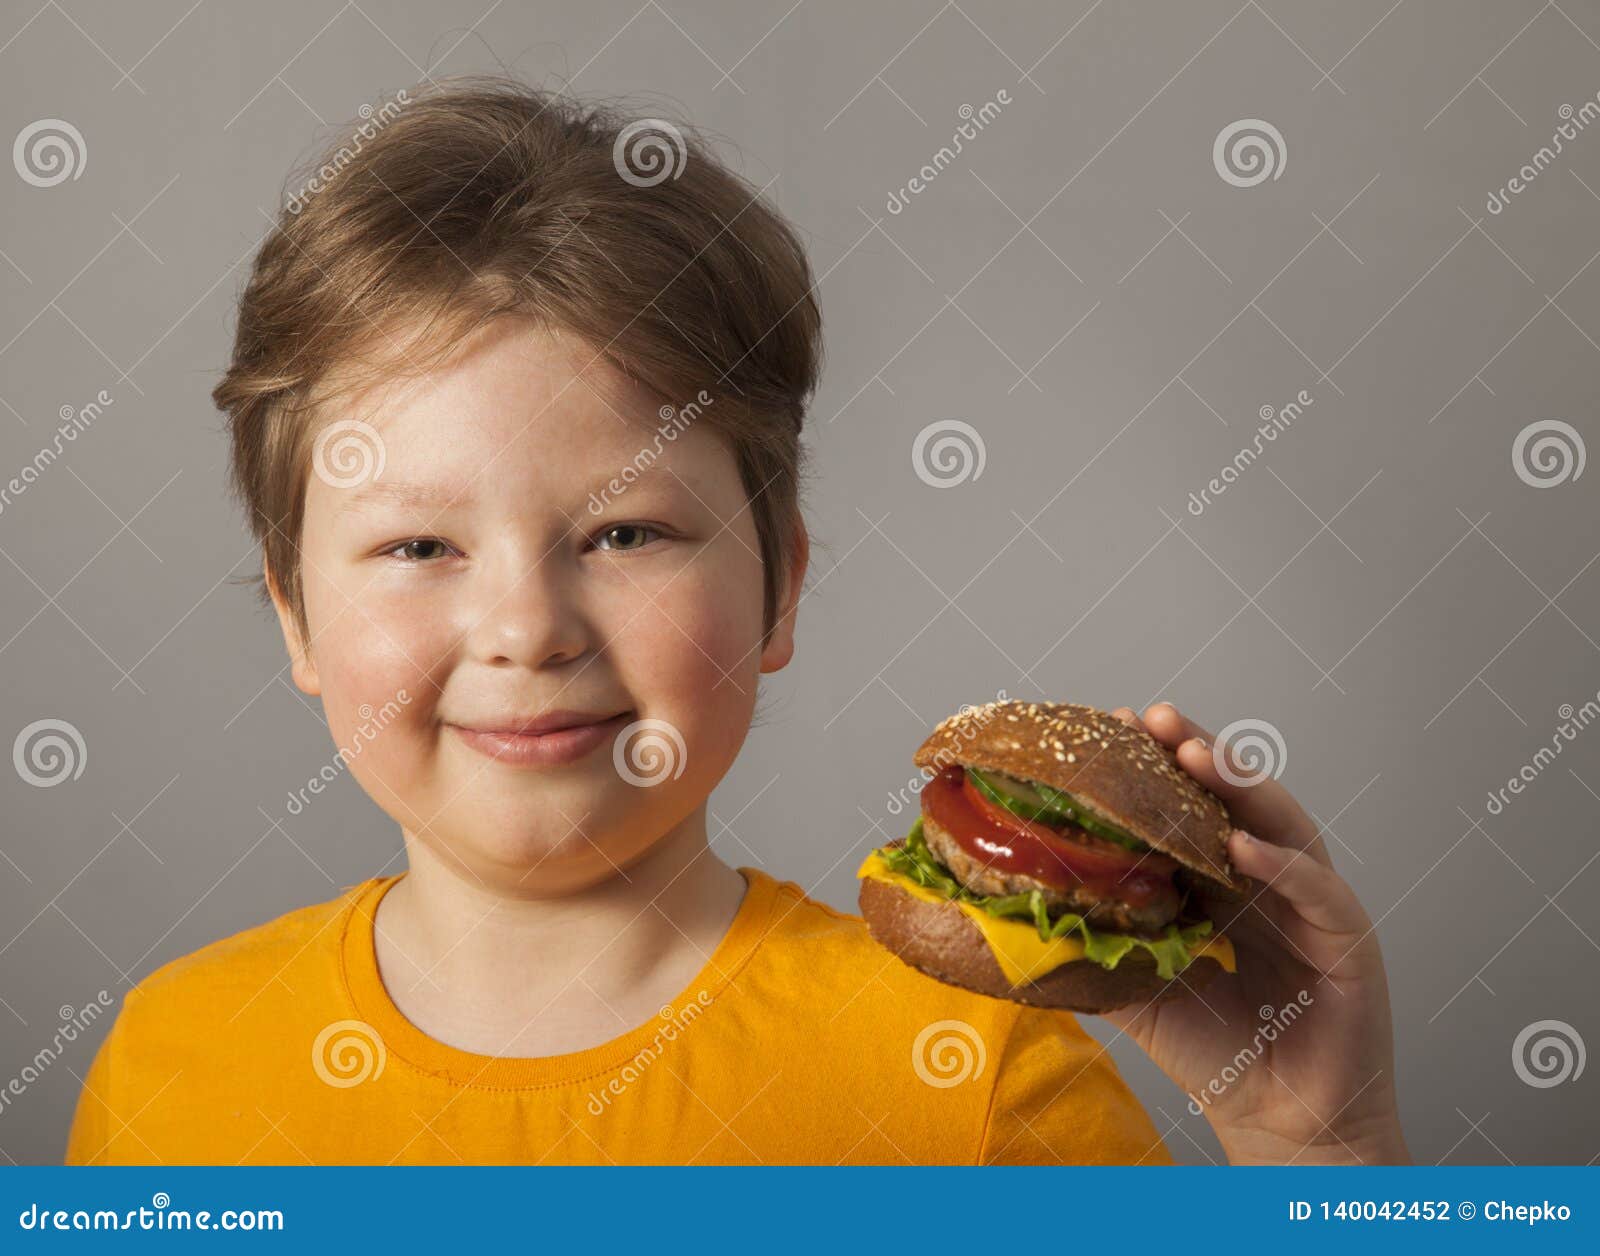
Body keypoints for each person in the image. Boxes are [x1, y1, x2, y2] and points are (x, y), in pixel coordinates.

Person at [65, 77, 1406, 1166]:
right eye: (419, 545)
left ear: (781, 585)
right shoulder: (171, 1070)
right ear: (296, 618)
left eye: (626, 533)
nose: (527, 628)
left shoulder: (980, 1086)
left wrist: (1314, 1144)